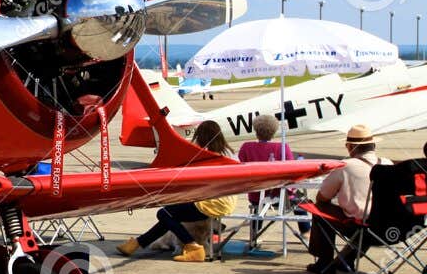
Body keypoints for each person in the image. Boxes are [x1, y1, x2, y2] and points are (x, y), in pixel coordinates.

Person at [119, 119, 238, 263]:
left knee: (164, 213)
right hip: (228, 202)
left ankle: (193, 248)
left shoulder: (204, 155)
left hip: (209, 203)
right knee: (169, 216)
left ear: (201, 137)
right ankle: (137, 243)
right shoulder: (230, 154)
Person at [306, 123, 390, 274]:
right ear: (374, 145)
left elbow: (323, 196)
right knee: (367, 219)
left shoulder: (345, 166)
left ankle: (324, 262)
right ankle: (345, 259)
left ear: (350, 147)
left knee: (319, 208)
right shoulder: (388, 163)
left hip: (361, 224)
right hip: (388, 223)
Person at [238, 113, 299, 234]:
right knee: (301, 204)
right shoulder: (282, 147)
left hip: (256, 194)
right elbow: (292, 169)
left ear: (256, 131)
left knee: (258, 208)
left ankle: (255, 233)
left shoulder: (246, 147)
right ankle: (305, 231)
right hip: (279, 195)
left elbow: (241, 164)